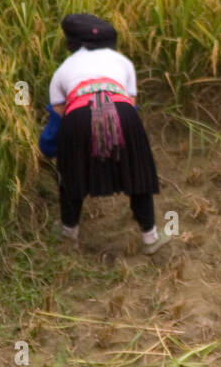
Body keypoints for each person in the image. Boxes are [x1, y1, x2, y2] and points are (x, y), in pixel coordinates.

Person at [48, 13, 170, 255]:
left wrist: (51, 150)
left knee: (71, 173)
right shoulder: (123, 63)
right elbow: (131, 103)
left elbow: (58, 116)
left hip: (78, 114)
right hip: (122, 110)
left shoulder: (62, 70)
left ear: (72, 43)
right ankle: (151, 238)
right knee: (138, 173)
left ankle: (68, 234)